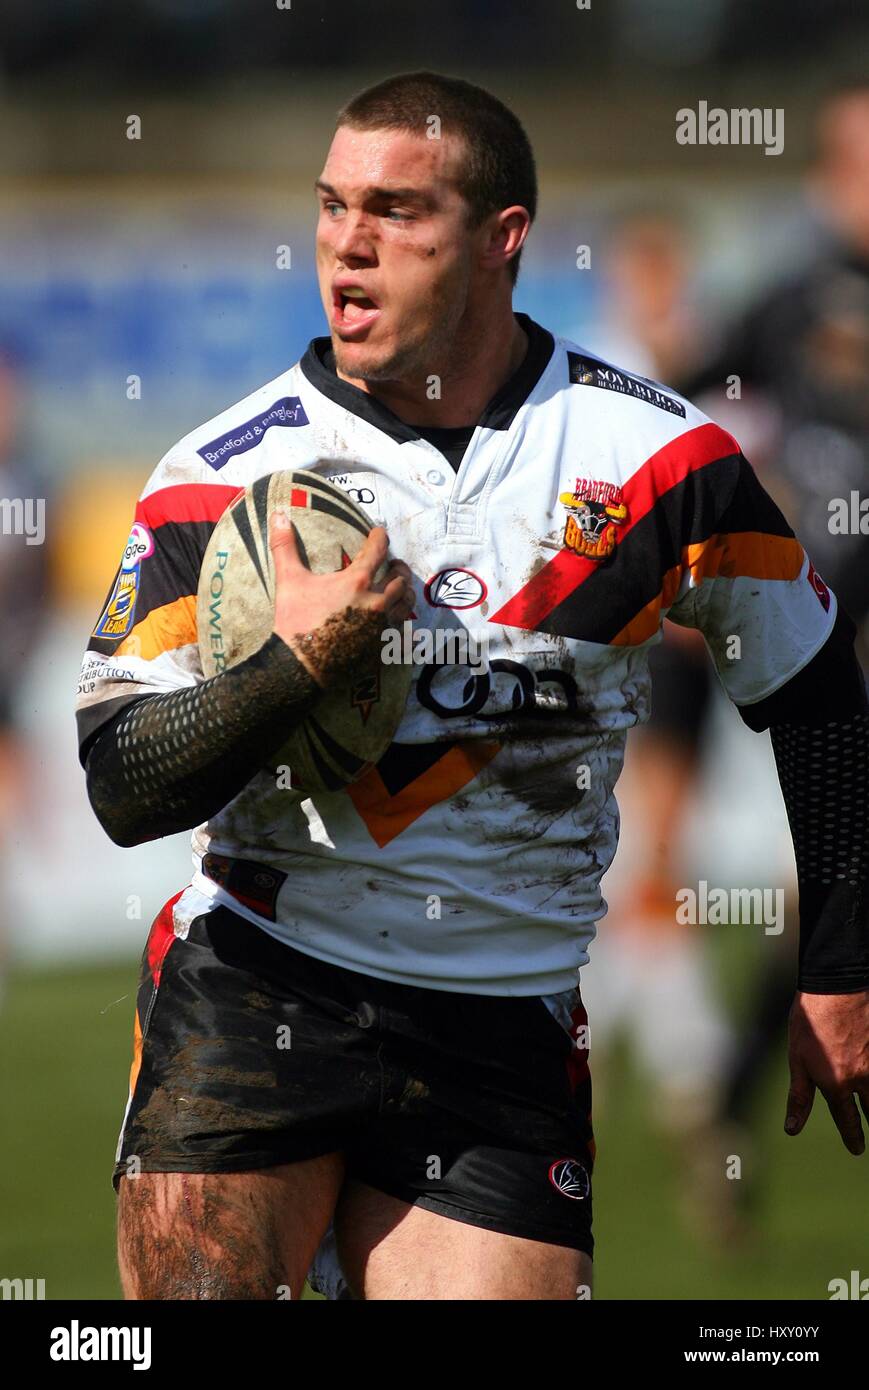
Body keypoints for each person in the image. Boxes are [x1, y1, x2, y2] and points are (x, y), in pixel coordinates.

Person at [76, 71, 869, 1301]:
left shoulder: (659, 464)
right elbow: (121, 779)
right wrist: (293, 669)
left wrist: (836, 962)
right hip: (259, 983)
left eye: (397, 210)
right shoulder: (220, 477)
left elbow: (816, 689)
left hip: (502, 1018)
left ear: (502, 240)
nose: (347, 240)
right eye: (334, 204)